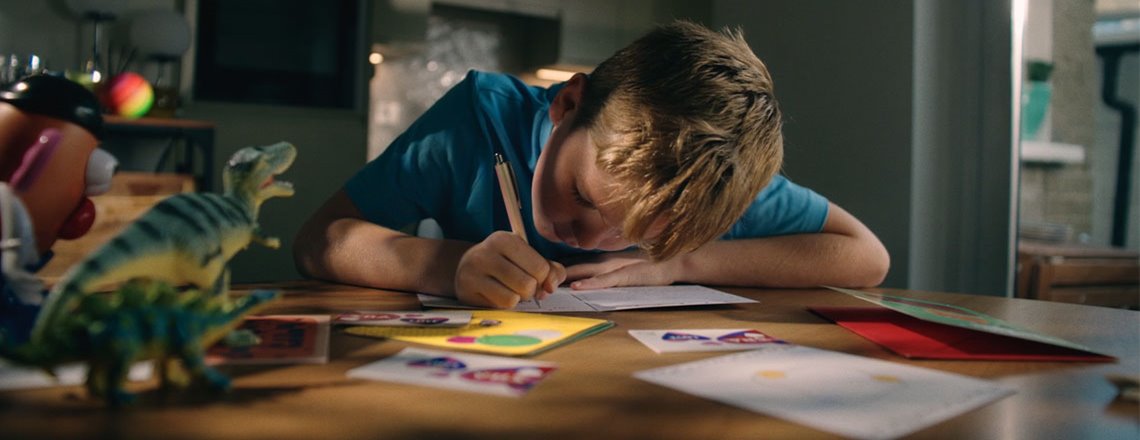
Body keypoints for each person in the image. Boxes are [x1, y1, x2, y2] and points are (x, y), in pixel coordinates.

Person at [294, 21, 889, 309]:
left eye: (638, 235)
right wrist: (448, 267)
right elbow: (320, 240)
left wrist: (679, 261)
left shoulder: (704, 182)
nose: (594, 239)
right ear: (568, 104)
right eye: (582, 195)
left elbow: (865, 256)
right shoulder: (474, 122)